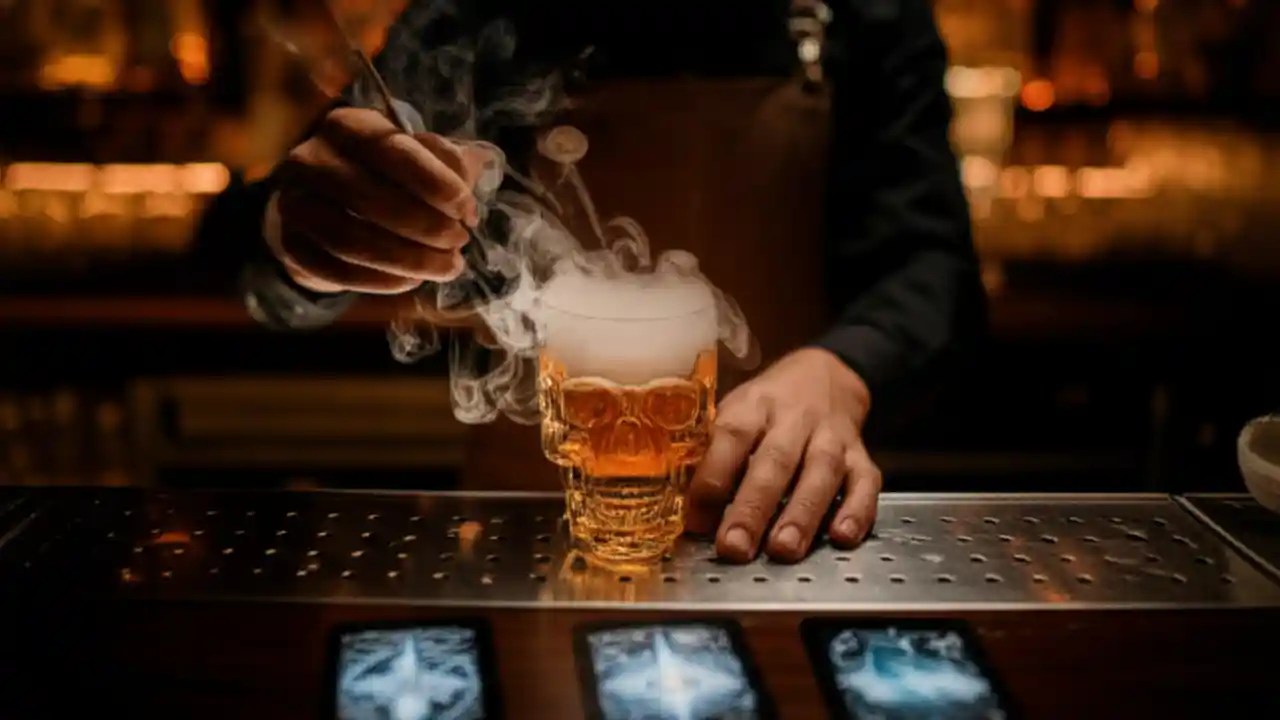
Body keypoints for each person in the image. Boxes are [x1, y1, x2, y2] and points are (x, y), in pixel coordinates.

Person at [198, 0, 985, 565]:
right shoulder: (473, 18)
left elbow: (933, 265)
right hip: (520, 549)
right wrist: (297, 237)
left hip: (780, 545)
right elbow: (244, 243)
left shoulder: (867, 15)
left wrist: (843, 369)